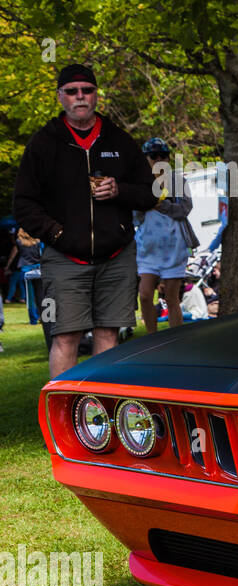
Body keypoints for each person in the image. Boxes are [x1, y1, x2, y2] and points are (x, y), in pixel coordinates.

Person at [13, 64, 155, 378]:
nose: (80, 97)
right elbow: (23, 203)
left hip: (116, 256)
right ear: (60, 96)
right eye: (72, 91)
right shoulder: (44, 143)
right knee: (65, 336)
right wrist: (57, 233)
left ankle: (103, 416)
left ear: (96, 94)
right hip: (65, 256)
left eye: (87, 90)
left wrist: (120, 190)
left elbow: (150, 193)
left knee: (109, 333)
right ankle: (62, 419)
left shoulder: (119, 140)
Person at [135, 138, 195, 332]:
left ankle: (176, 338)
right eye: (153, 156)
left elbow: (185, 208)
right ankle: (152, 337)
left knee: (171, 297)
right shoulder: (139, 183)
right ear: (145, 158)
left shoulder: (178, 180)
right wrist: (144, 203)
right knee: (144, 294)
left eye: (164, 156)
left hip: (174, 247)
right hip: (148, 248)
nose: (159, 159)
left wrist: (162, 205)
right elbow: (134, 217)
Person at [6, 228, 41, 305]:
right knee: (39, 291)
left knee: (27, 291)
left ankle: (33, 314)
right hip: (37, 267)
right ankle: (39, 309)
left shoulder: (19, 242)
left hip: (25, 268)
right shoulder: (37, 242)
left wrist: (7, 266)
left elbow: (12, 255)